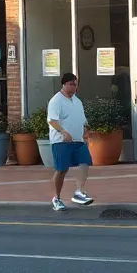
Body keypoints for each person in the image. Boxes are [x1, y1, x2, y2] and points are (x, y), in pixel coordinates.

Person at [47, 72, 95, 211]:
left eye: (75, 84)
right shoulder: (56, 100)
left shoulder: (77, 101)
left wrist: (86, 128)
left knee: (85, 162)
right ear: (64, 84)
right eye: (71, 84)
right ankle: (57, 198)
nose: (74, 87)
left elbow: (82, 119)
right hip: (61, 142)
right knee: (62, 170)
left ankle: (79, 192)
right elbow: (52, 120)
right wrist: (63, 131)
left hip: (78, 140)